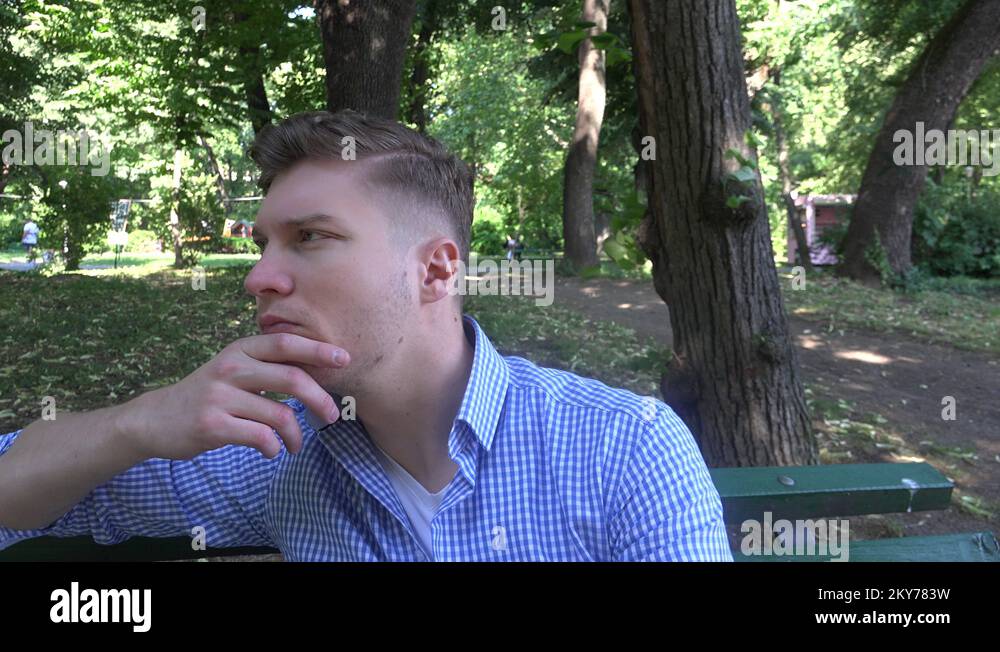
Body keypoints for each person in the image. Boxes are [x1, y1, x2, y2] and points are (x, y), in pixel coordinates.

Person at [0, 110, 732, 561]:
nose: (259, 278)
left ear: (437, 271)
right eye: (261, 245)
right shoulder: (274, 451)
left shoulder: (623, 449)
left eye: (310, 238)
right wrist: (137, 422)